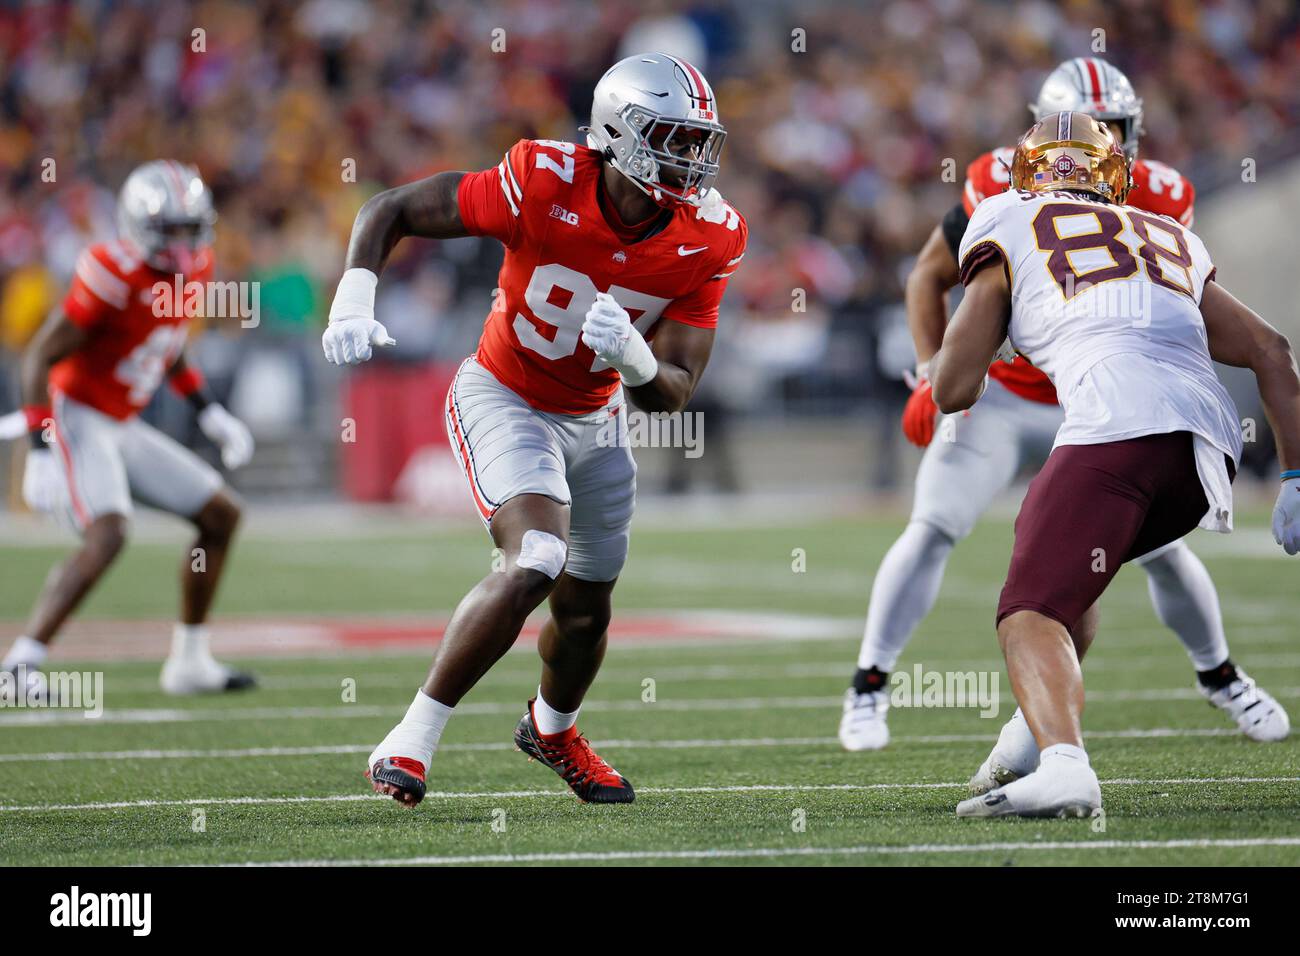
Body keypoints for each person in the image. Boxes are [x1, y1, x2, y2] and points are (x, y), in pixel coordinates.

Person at [322, 54, 747, 807]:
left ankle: (553, 732)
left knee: (586, 607)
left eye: (696, 142)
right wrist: (356, 296)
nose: (690, 159)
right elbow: (390, 208)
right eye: (672, 139)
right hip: (504, 393)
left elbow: (672, 397)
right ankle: (412, 738)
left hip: (600, 414)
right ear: (619, 132)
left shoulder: (709, 236)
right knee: (538, 556)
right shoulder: (543, 178)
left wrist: (639, 359)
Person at [840, 58, 1289, 762]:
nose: (1091, 147)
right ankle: (869, 682)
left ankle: (1219, 675)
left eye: (1110, 130)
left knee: (1150, 554)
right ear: (1032, 151)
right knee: (934, 524)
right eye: (1078, 135)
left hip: (1102, 395)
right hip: (1009, 390)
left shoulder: (1159, 193)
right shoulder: (996, 187)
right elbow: (930, 275)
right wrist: (937, 372)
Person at [927, 111, 1300, 817]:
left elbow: (951, 387)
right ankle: (1032, 738)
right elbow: (1273, 350)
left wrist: (993, 346)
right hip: (1204, 453)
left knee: (1028, 611)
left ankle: (1066, 763)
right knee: (1068, 587)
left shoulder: (1007, 214)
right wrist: (1296, 476)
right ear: (1114, 176)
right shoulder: (1170, 234)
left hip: (1118, 425)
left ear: (1026, 173)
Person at [3, 161, 256, 700]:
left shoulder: (197, 269)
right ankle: (20, 666)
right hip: (79, 415)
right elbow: (39, 356)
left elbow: (165, 344)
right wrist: (40, 448)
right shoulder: (111, 272)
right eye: (172, 231)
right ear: (139, 226)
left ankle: (189, 662)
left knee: (221, 516)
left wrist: (207, 409)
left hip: (121, 422)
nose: (184, 244)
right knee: (110, 533)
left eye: (192, 230)